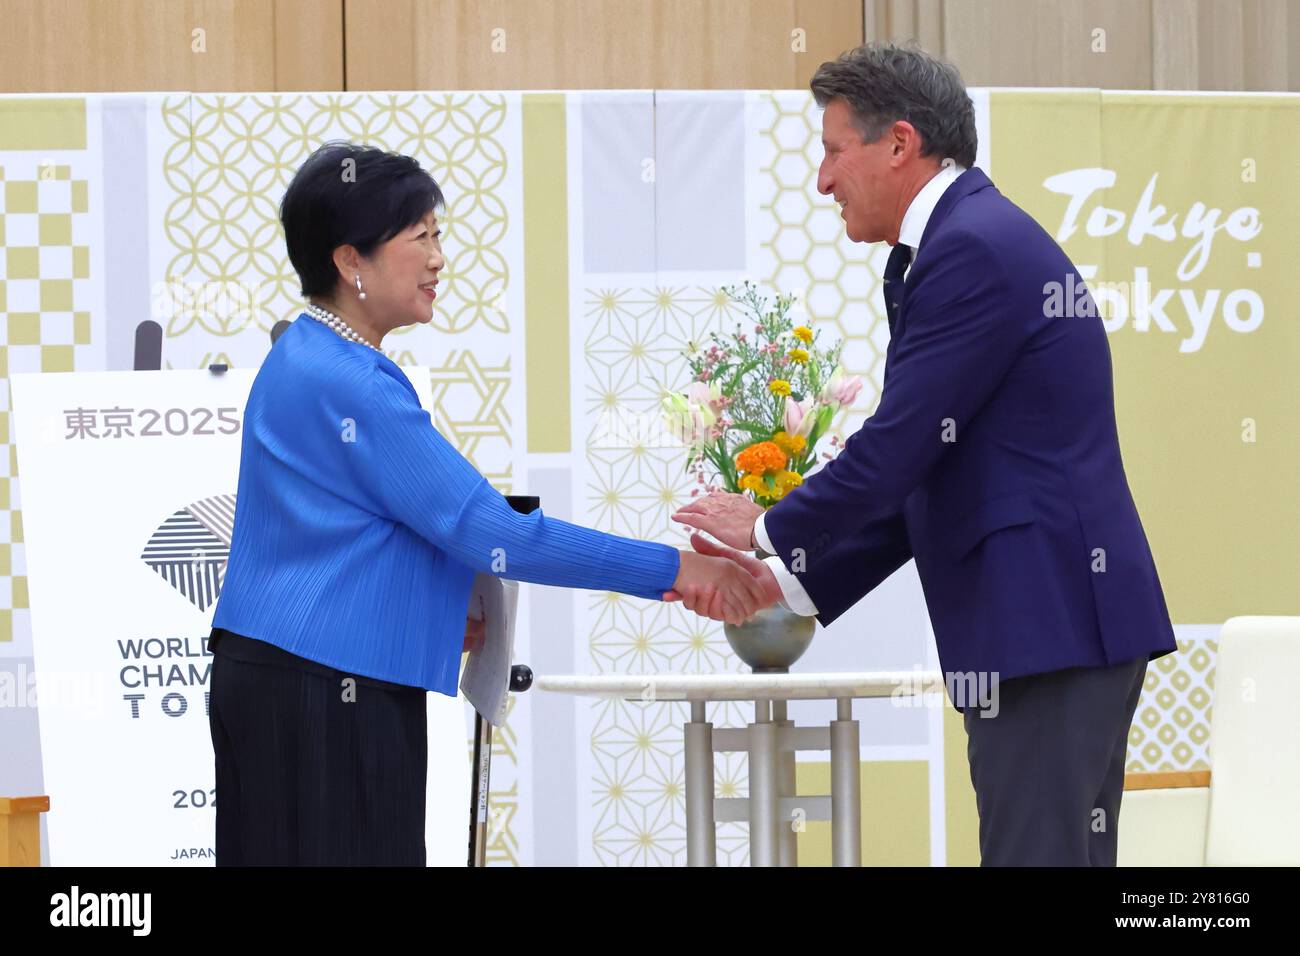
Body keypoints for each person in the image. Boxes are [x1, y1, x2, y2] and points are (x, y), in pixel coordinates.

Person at [674, 43, 1178, 866]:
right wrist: (791, 581)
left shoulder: (971, 247)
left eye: (834, 150)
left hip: (1050, 625)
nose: (823, 179)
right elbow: (929, 469)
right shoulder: (950, 247)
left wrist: (768, 525)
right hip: (1050, 630)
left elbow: (899, 448)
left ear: (900, 144)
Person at [207, 141, 766, 866]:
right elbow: (490, 531)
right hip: (325, 695)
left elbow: (348, 536)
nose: (439, 258)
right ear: (351, 262)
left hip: (291, 680)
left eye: (439, 235)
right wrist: (676, 568)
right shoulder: (354, 384)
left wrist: (436, 607)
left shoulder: (308, 357)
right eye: (420, 237)